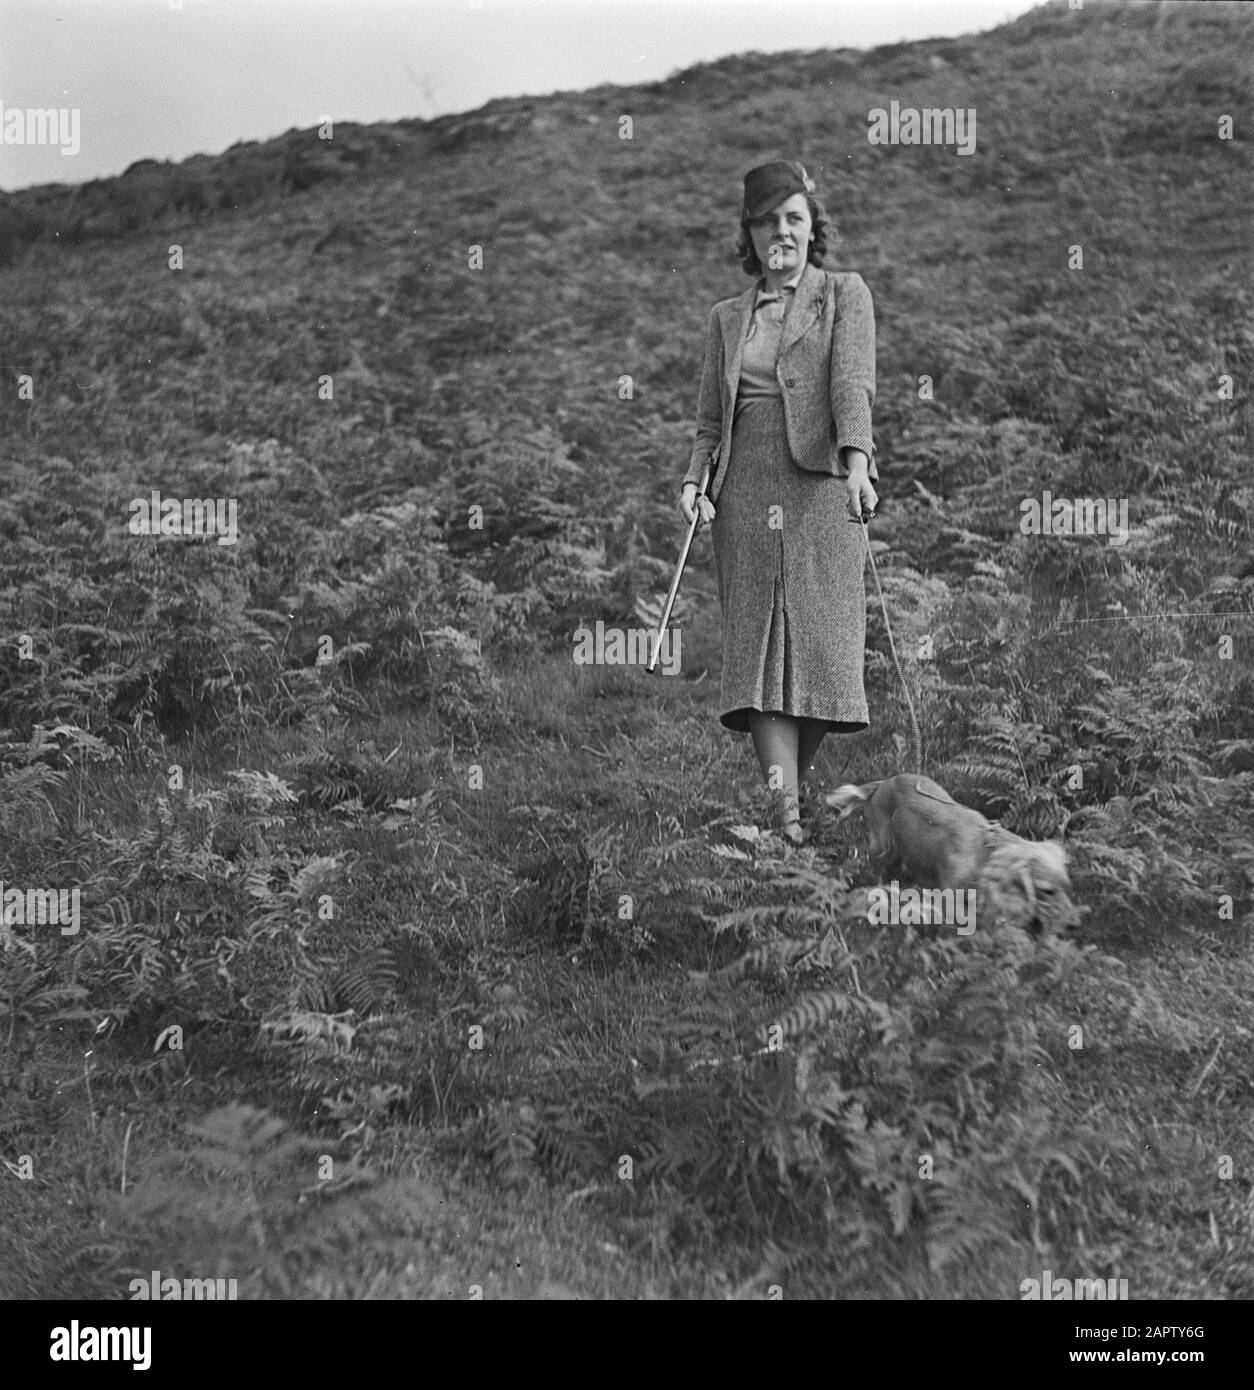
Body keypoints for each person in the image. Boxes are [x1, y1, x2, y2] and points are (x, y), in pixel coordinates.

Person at [680, 160, 878, 845]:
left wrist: (857, 466)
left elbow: (852, 384)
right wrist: (693, 484)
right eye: (768, 221)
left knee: (825, 651)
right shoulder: (726, 318)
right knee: (758, 660)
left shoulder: (845, 293)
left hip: (821, 484)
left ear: (811, 226)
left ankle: (784, 810)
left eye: (794, 218)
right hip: (744, 492)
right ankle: (786, 826)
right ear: (751, 233)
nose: (781, 232)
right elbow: (711, 421)